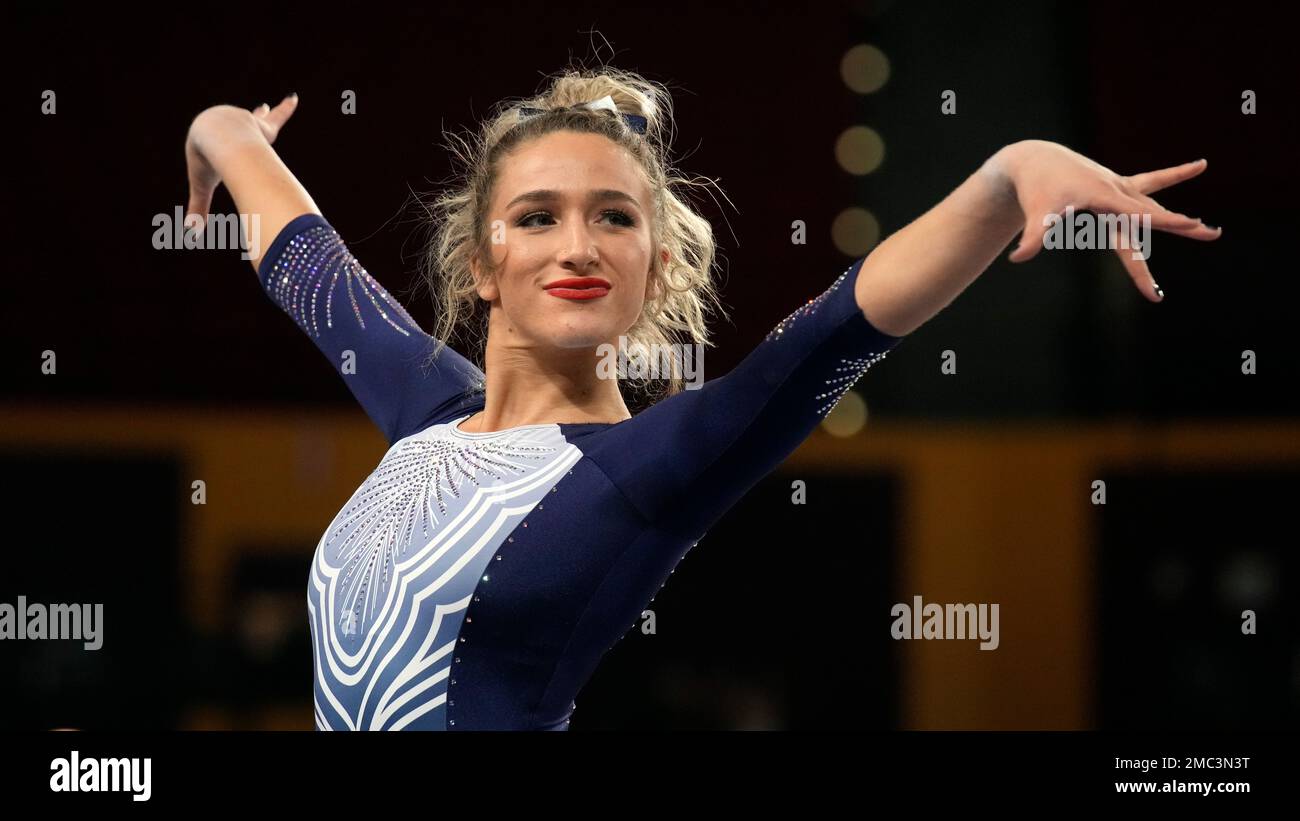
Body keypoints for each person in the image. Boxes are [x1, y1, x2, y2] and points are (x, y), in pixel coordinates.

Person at [182, 67, 1220, 730]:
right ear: (482, 264)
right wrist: (223, 128)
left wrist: (1006, 175)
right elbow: (301, 258)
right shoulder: (425, 410)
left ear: (656, 268)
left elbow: (842, 325)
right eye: (537, 217)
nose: (578, 245)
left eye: (615, 221)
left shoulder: (645, 471)